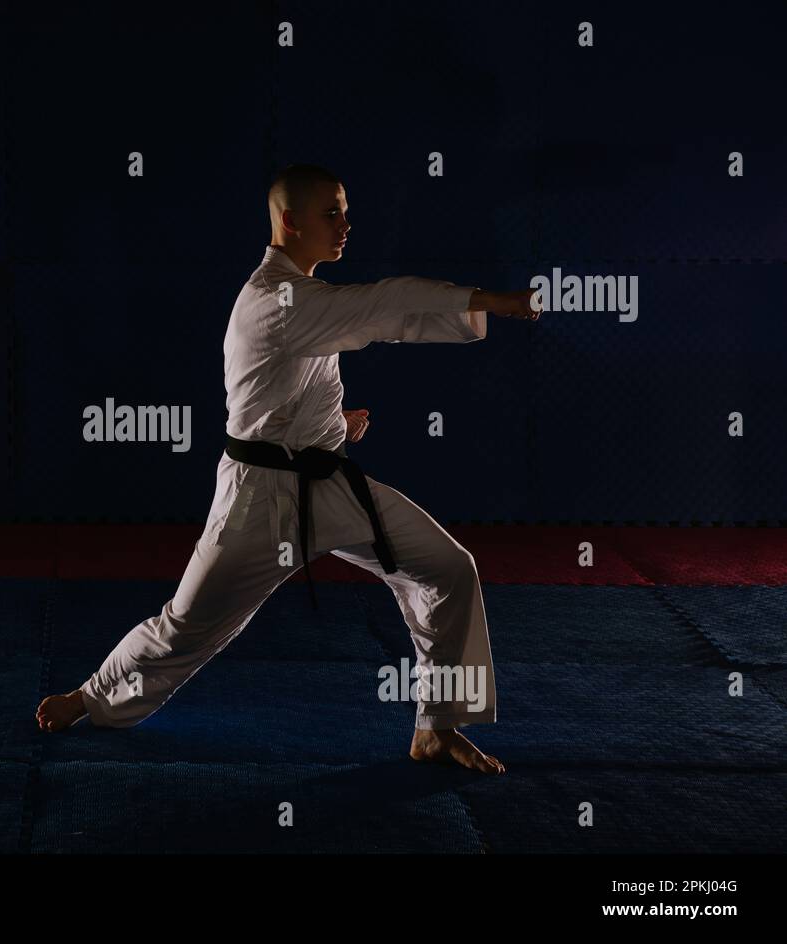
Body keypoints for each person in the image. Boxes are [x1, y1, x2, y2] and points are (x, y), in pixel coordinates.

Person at [37, 163, 541, 774]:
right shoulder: (278, 299)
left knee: (448, 570)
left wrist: (333, 421)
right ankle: (88, 697)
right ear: (288, 221)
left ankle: (437, 728)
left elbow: (294, 380)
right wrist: (485, 301)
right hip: (260, 502)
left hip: (330, 483)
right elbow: (383, 306)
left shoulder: (301, 295)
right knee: (187, 626)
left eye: (346, 210)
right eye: (332, 213)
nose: (346, 224)